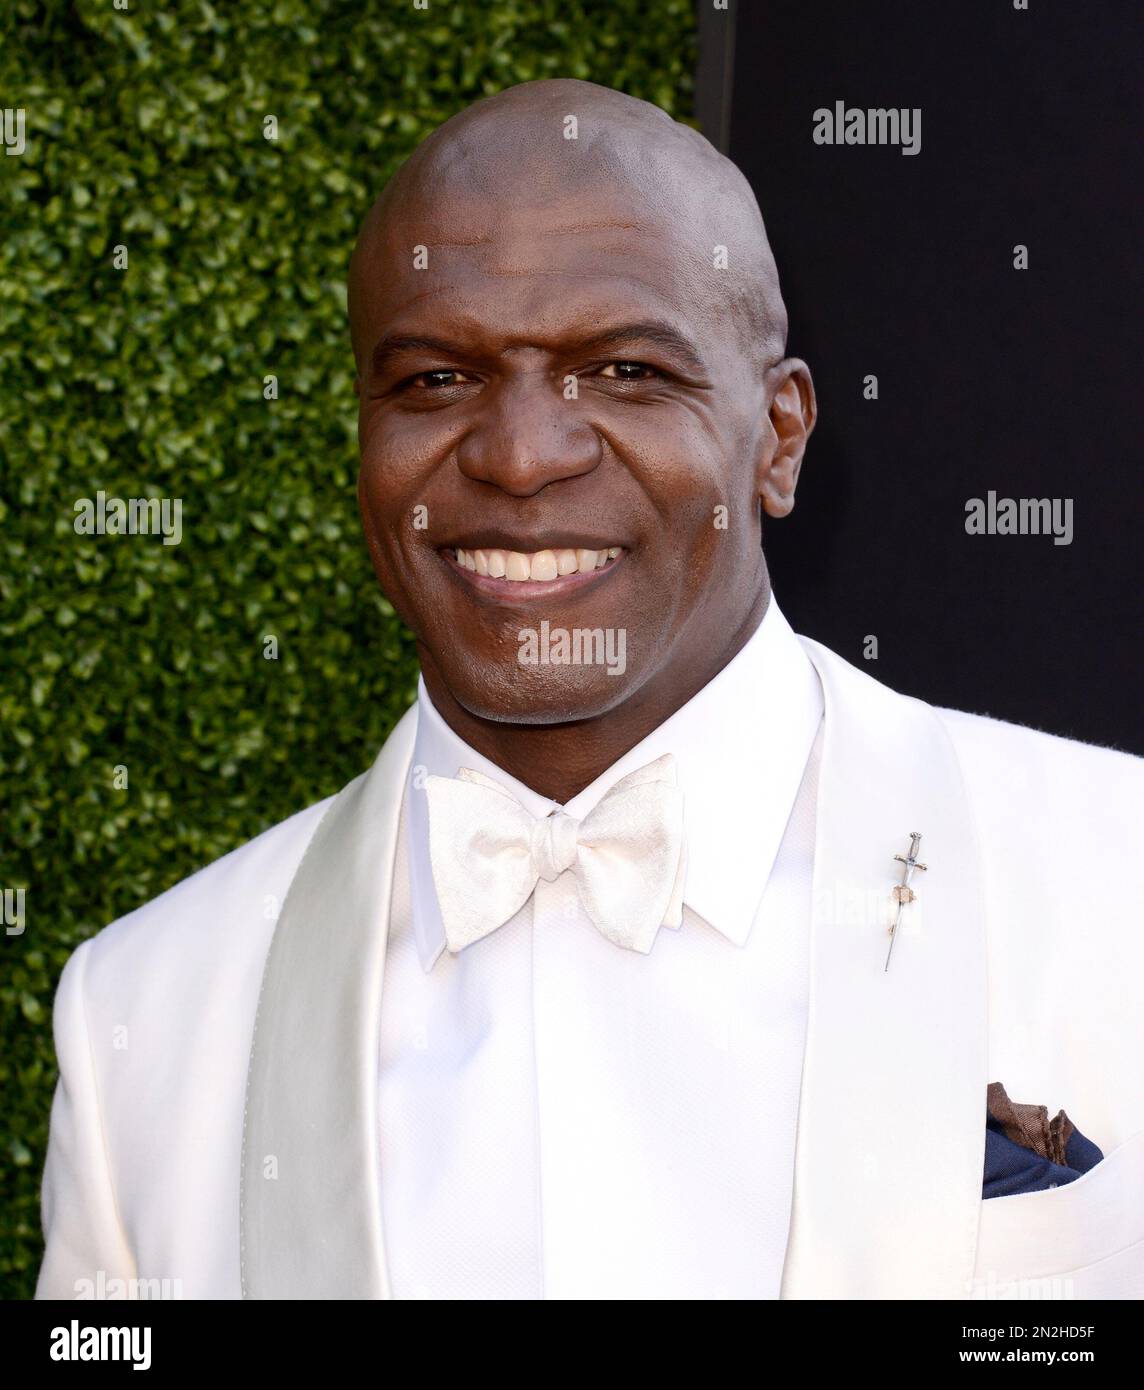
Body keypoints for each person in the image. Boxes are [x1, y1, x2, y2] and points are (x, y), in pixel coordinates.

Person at [36, 79, 1144, 1301]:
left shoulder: (1115, 878)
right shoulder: (143, 1009)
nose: (519, 455)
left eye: (621, 370)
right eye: (435, 380)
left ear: (777, 437)